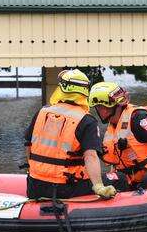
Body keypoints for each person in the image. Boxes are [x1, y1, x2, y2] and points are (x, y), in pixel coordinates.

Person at [24, 69, 121, 200]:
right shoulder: (86, 120)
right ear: (85, 93)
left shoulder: (42, 112)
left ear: (61, 89)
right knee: (120, 178)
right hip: (66, 188)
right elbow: (91, 156)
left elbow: (29, 146)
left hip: (34, 186)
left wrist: (34, 172)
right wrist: (99, 187)